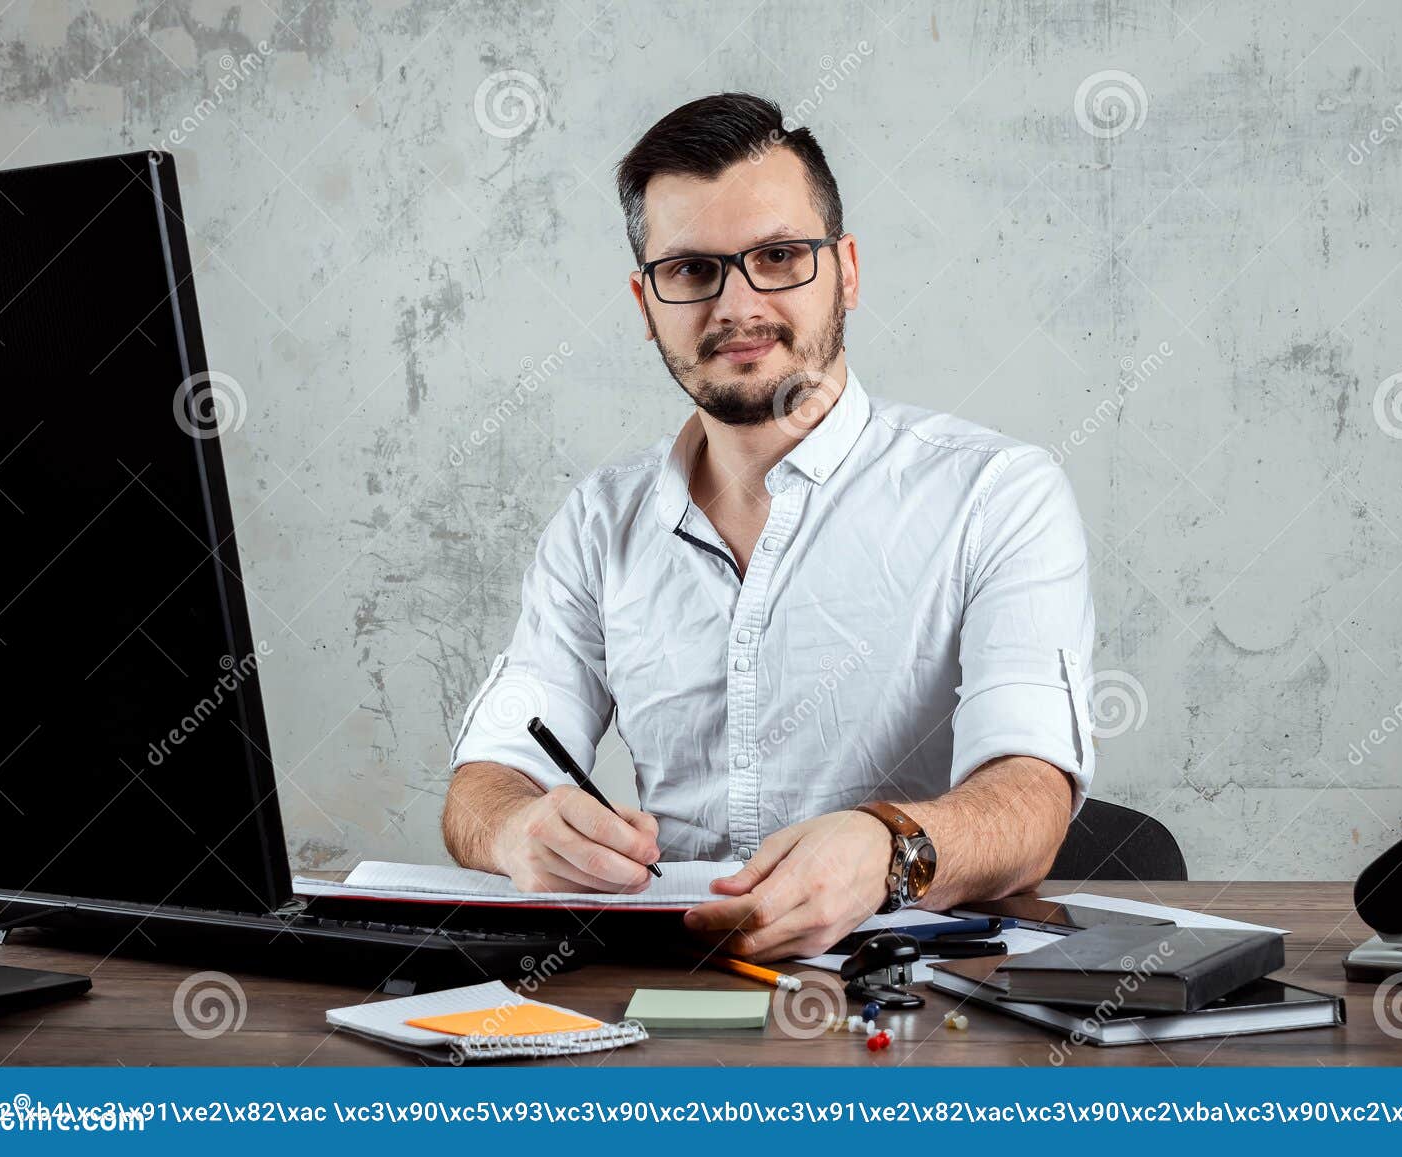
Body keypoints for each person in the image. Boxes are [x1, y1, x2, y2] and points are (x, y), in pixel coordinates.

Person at [441, 93, 1096, 962]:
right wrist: (518, 829)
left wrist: (885, 846)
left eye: (779, 256)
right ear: (646, 303)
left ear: (847, 271)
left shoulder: (998, 494)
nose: (736, 305)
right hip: (661, 998)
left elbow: (1031, 798)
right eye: (691, 271)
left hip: (915, 1006)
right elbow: (484, 780)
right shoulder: (599, 521)